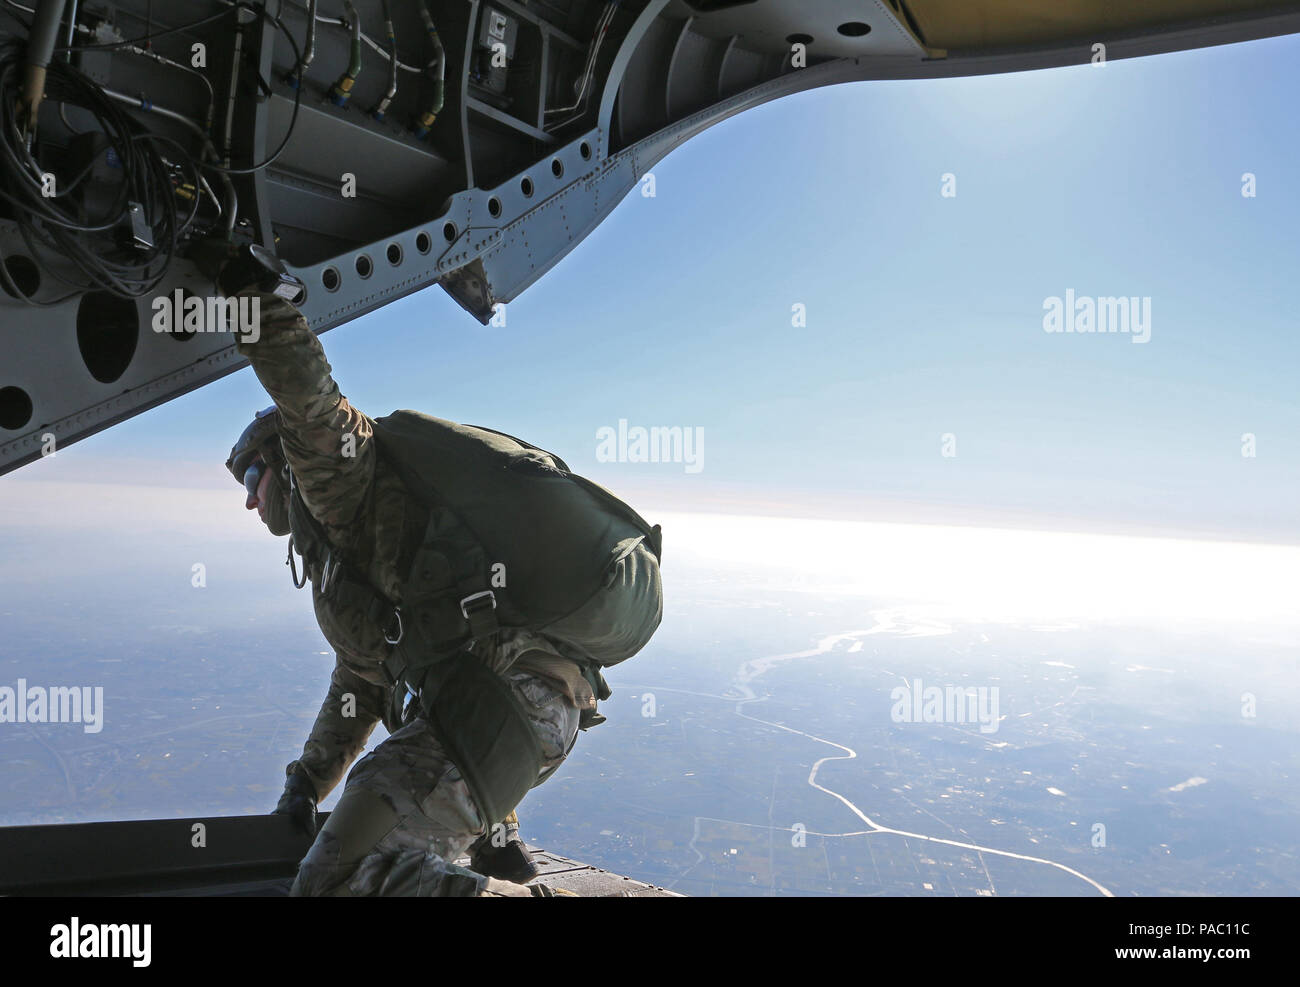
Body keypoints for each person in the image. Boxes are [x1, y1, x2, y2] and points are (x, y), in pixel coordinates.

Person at [223, 272, 628, 896]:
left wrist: (248, 293)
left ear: (285, 459)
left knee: (340, 880)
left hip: (511, 702)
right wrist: (306, 782)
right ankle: (496, 840)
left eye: (252, 478)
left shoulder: (338, 484)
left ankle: (494, 841)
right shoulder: (342, 551)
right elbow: (361, 678)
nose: (251, 502)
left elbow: (307, 401)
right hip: (501, 709)